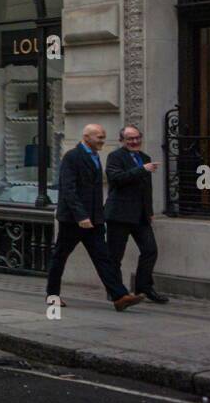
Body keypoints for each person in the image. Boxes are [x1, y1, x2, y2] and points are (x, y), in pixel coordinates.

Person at [45, 124, 143, 311]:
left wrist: (98, 216)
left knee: (103, 257)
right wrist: (81, 216)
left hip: (94, 219)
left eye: (103, 137)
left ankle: (119, 296)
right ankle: (52, 295)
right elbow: (68, 189)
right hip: (73, 220)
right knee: (60, 257)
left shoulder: (95, 156)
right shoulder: (72, 157)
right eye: (99, 137)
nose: (102, 141)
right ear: (86, 137)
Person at [105, 125, 167, 304]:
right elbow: (117, 179)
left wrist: (149, 212)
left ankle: (144, 287)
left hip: (140, 216)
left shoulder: (144, 158)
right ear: (122, 141)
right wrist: (142, 169)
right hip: (119, 215)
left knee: (150, 250)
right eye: (130, 139)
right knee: (115, 255)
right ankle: (116, 291)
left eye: (137, 138)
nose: (134, 142)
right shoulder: (115, 157)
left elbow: (146, 189)